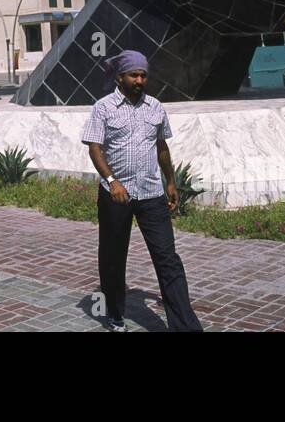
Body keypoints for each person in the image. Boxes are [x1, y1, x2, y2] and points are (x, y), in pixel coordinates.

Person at [81, 49, 203, 332]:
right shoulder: (104, 108)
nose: (139, 80)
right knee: (113, 257)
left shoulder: (155, 108)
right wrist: (112, 181)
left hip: (151, 193)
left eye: (143, 75)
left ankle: (185, 326)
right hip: (116, 195)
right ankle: (114, 314)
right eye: (134, 75)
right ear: (120, 76)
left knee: (167, 258)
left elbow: (162, 146)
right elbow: (94, 148)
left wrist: (170, 181)